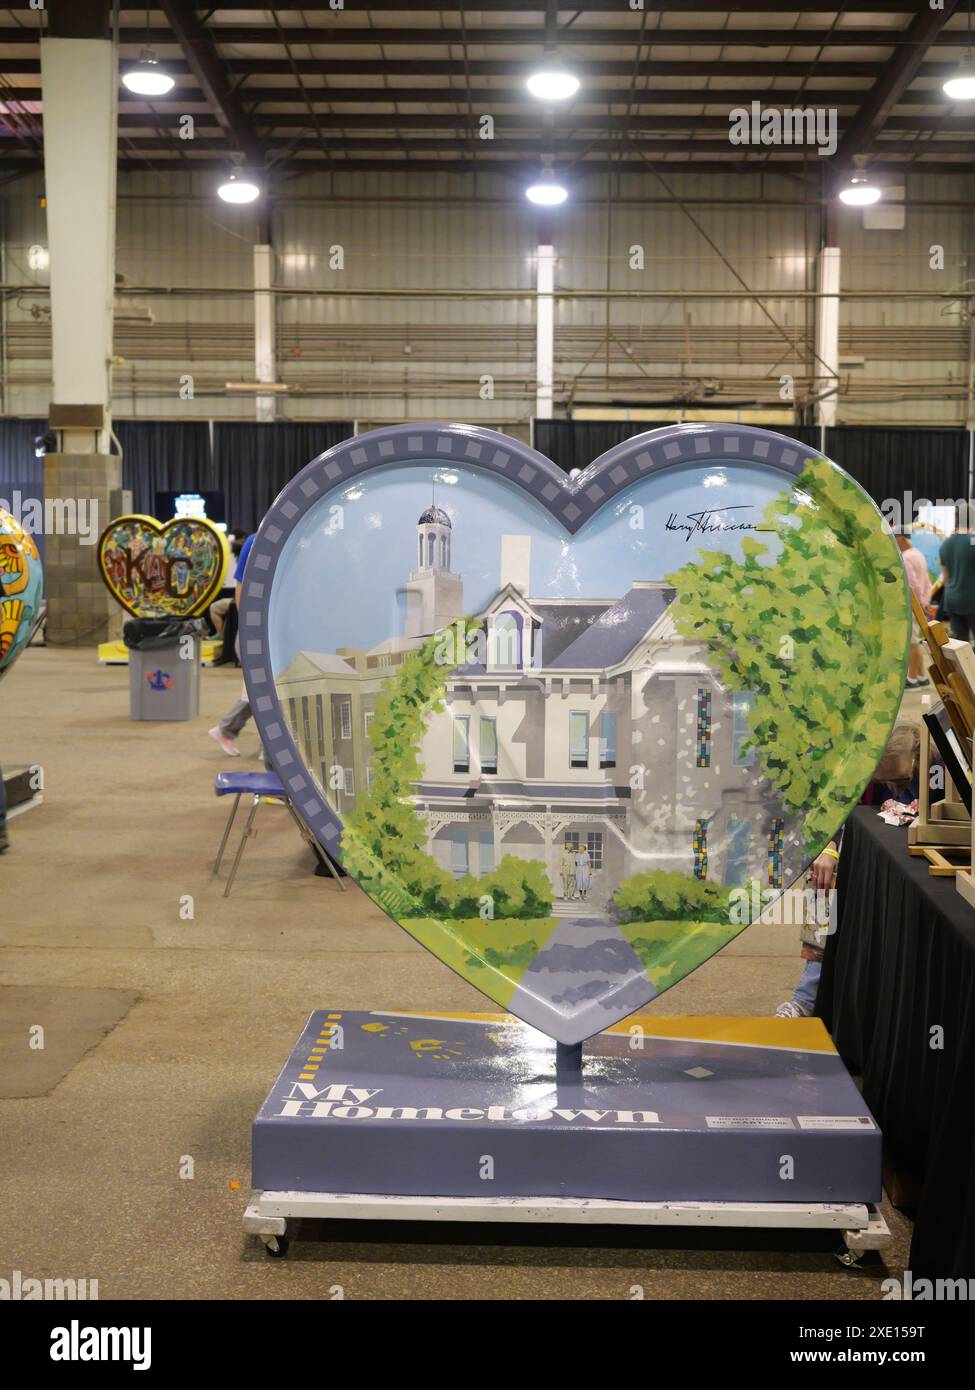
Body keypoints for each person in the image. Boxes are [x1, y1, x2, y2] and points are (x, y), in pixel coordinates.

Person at [208, 532, 255, 756]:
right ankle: (226, 730)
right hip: (254, 634)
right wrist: (249, 629)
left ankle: (225, 730)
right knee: (263, 692)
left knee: (259, 693)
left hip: (262, 632)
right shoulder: (254, 542)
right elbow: (241, 587)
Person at [897, 531, 931, 687]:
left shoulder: (906, 557)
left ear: (902, 539)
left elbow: (912, 585)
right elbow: (927, 582)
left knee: (912, 643)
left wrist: (917, 605)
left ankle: (911, 679)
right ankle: (921, 676)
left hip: (912, 605)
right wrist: (925, 602)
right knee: (916, 641)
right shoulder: (918, 554)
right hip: (920, 604)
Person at [939, 520, 975, 643]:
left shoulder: (945, 544)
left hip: (952, 600)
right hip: (971, 600)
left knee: (961, 646)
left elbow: (945, 579)